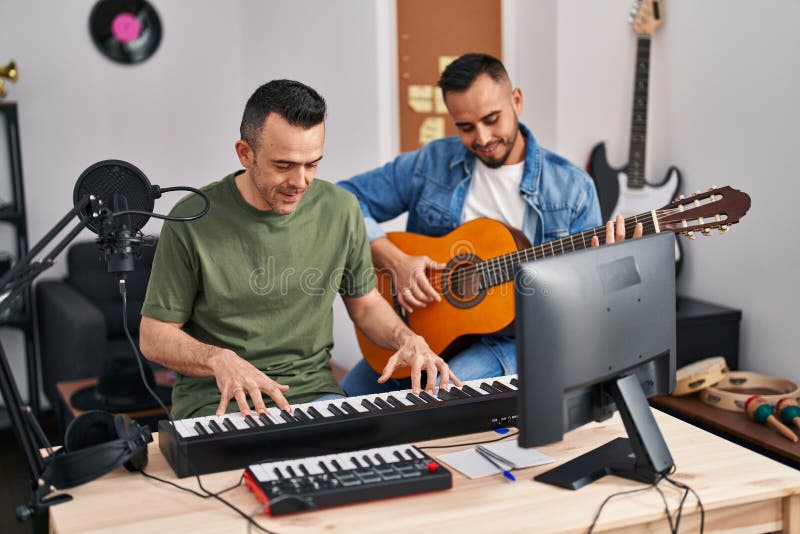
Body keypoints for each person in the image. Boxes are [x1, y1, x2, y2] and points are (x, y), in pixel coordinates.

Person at [139, 79, 460, 420]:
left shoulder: (341, 209)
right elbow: (154, 335)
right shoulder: (191, 219)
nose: (300, 182)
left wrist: (406, 338)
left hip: (314, 397)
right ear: (245, 153)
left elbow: (365, 305)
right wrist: (218, 359)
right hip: (218, 403)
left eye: (312, 164)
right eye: (283, 166)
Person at [338, 53, 641, 396]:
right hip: (420, 331)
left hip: (515, 342)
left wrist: (604, 267)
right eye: (465, 127)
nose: (481, 138)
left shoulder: (572, 189)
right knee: (337, 407)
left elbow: (580, 308)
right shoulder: (433, 161)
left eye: (492, 119)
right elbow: (343, 200)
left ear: (517, 100)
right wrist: (395, 260)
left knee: (431, 400)